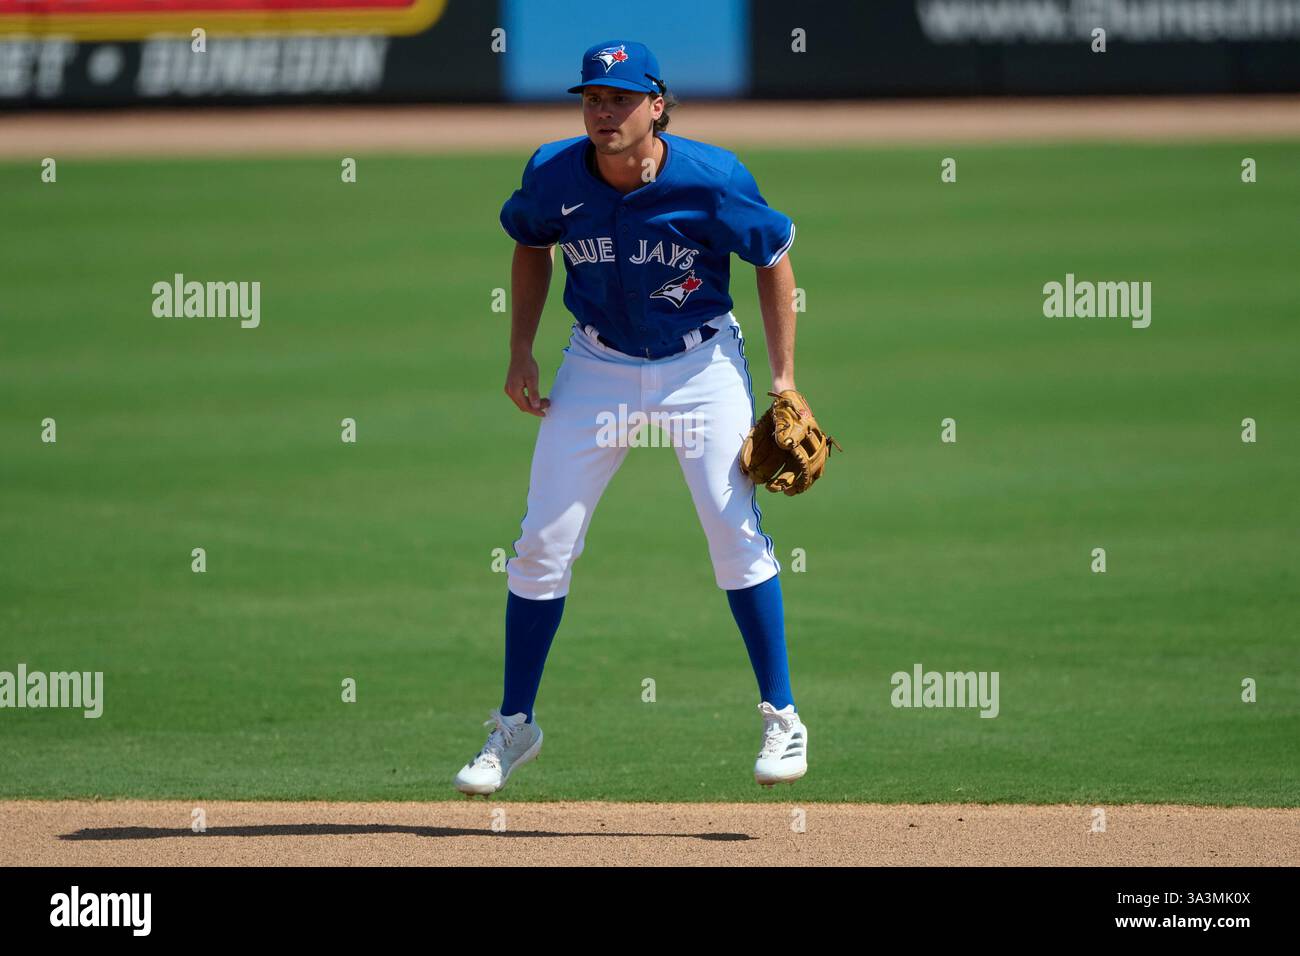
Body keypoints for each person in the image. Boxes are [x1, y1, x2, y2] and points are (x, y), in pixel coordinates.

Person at [454, 40, 808, 796]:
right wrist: (520, 350)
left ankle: (782, 715)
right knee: (540, 544)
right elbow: (529, 242)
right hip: (598, 367)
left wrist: (782, 381)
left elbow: (772, 254)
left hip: (699, 366)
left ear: (657, 105)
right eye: (592, 98)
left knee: (731, 531)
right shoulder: (553, 171)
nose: (603, 112)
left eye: (619, 98)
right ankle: (514, 727)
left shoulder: (712, 178)